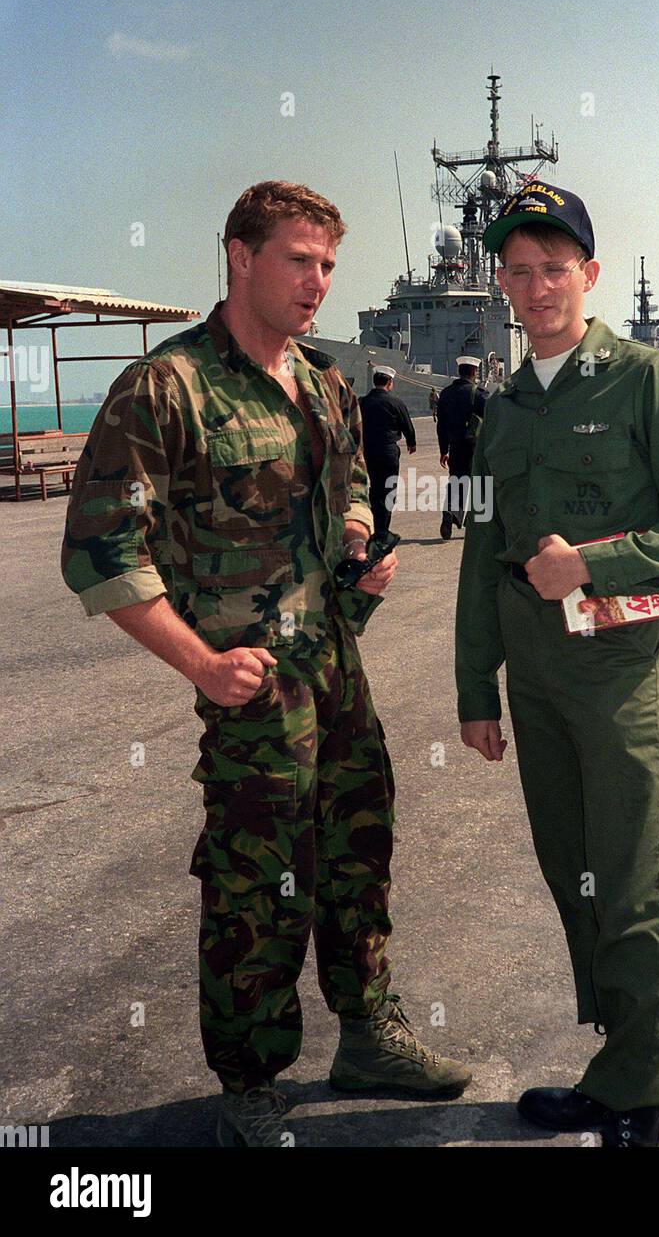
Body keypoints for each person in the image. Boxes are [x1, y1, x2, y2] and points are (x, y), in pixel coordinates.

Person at [61, 181, 470, 1149]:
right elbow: (101, 551)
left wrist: (363, 537)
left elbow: (351, 485)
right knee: (260, 878)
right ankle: (248, 1079)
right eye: (299, 259)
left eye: (328, 264)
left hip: (335, 664)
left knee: (359, 844)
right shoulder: (167, 388)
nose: (317, 282)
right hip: (249, 688)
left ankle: (368, 1031)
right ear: (240, 257)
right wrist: (200, 663)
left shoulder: (322, 381)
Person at [454, 179, 659, 1148]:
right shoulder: (503, 408)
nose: (536, 288)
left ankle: (643, 1092)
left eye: (554, 268)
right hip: (533, 681)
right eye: (519, 271)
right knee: (573, 867)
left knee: (637, 880)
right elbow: (480, 560)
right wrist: (474, 689)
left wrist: (594, 563)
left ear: (590, 274)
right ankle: (615, 1064)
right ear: (501, 280)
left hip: (618, 671)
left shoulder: (645, 379)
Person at [359, 367, 417, 538]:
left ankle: (373, 524)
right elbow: (407, 424)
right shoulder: (395, 402)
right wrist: (411, 443)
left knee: (375, 487)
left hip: (368, 450)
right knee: (389, 488)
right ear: (390, 383)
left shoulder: (362, 401)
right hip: (387, 451)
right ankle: (383, 529)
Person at [436, 356, 489, 540]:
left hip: (455, 445)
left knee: (457, 481)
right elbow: (493, 420)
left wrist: (444, 450)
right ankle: (477, 525)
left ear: (460, 371)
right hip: (477, 446)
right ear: (474, 372)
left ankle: (450, 513)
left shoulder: (446, 393)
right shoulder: (480, 394)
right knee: (482, 484)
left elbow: (441, 425)